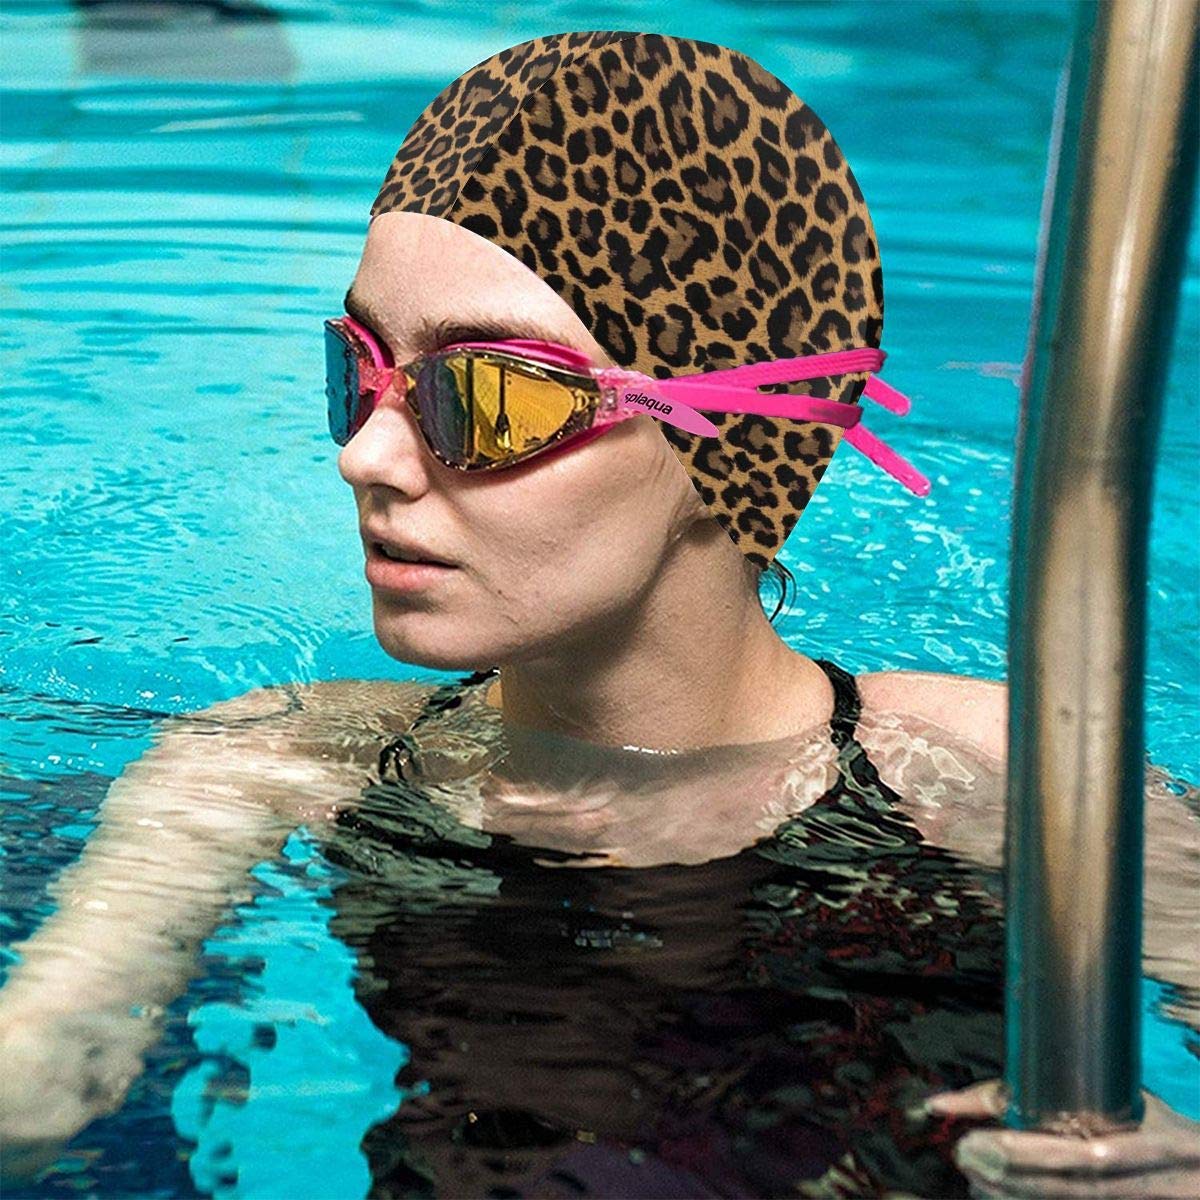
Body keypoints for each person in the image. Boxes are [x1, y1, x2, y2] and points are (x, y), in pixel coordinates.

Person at [2, 29, 1197, 1198]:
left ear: (731, 438)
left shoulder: (1013, 787)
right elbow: (43, 1067)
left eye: (489, 395)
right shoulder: (273, 764)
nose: (366, 456)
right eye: (358, 369)